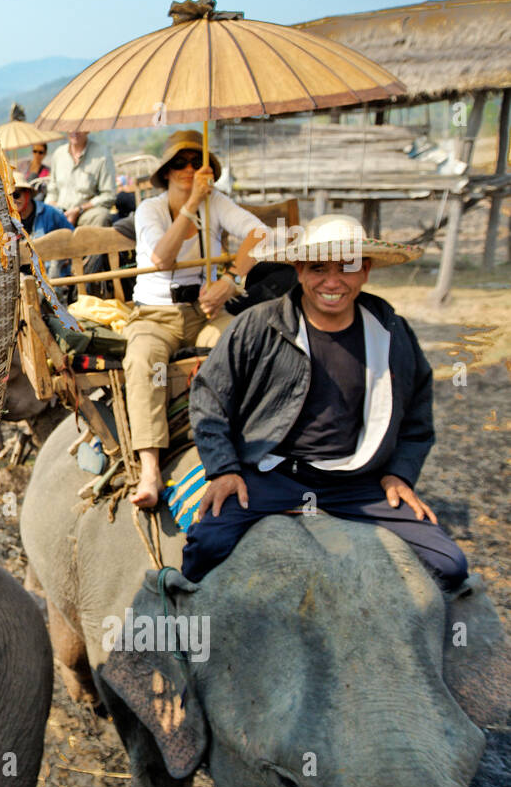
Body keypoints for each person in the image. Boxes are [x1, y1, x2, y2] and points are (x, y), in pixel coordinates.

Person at [183, 214, 468, 591]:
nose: (332, 281)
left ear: (365, 270)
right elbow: (209, 397)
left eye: (347, 266)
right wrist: (223, 469)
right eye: (318, 267)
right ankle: (184, 634)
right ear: (299, 270)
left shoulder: (391, 331)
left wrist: (399, 473)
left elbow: (418, 415)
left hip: (356, 481)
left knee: (449, 565)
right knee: (205, 548)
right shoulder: (258, 325)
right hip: (275, 474)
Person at [125, 129, 268, 508]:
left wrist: (230, 280)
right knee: (143, 361)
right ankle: (150, 469)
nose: (189, 170)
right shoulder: (150, 210)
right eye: (180, 163)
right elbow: (162, 258)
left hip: (204, 312)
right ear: (167, 172)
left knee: (238, 345)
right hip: (155, 315)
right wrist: (191, 205)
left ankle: (242, 445)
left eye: (195, 163)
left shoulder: (216, 202)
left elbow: (262, 234)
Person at [48, 130, 116, 228]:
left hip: (87, 213)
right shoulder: (58, 154)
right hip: (60, 212)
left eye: (79, 127)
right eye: (70, 127)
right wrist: (53, 206)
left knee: (101, 216)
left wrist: (79, 209)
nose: (74, 131)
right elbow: (52, 191)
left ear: (87, 129)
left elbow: (109, 195)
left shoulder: (102, 155)